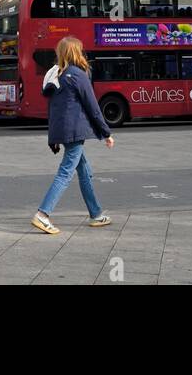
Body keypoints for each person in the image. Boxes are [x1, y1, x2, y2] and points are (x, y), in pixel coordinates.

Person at [31, 36, 113, 234]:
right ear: (77, 52)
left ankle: (96, 214)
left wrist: (53, 137)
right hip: (75, 130)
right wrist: (106, 133)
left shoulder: (57, 74)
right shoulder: (78, 74)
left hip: (63, 130)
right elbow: (92, 106)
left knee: (84, 170)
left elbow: (53, 109)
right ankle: (43, 214)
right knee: (66, 172)